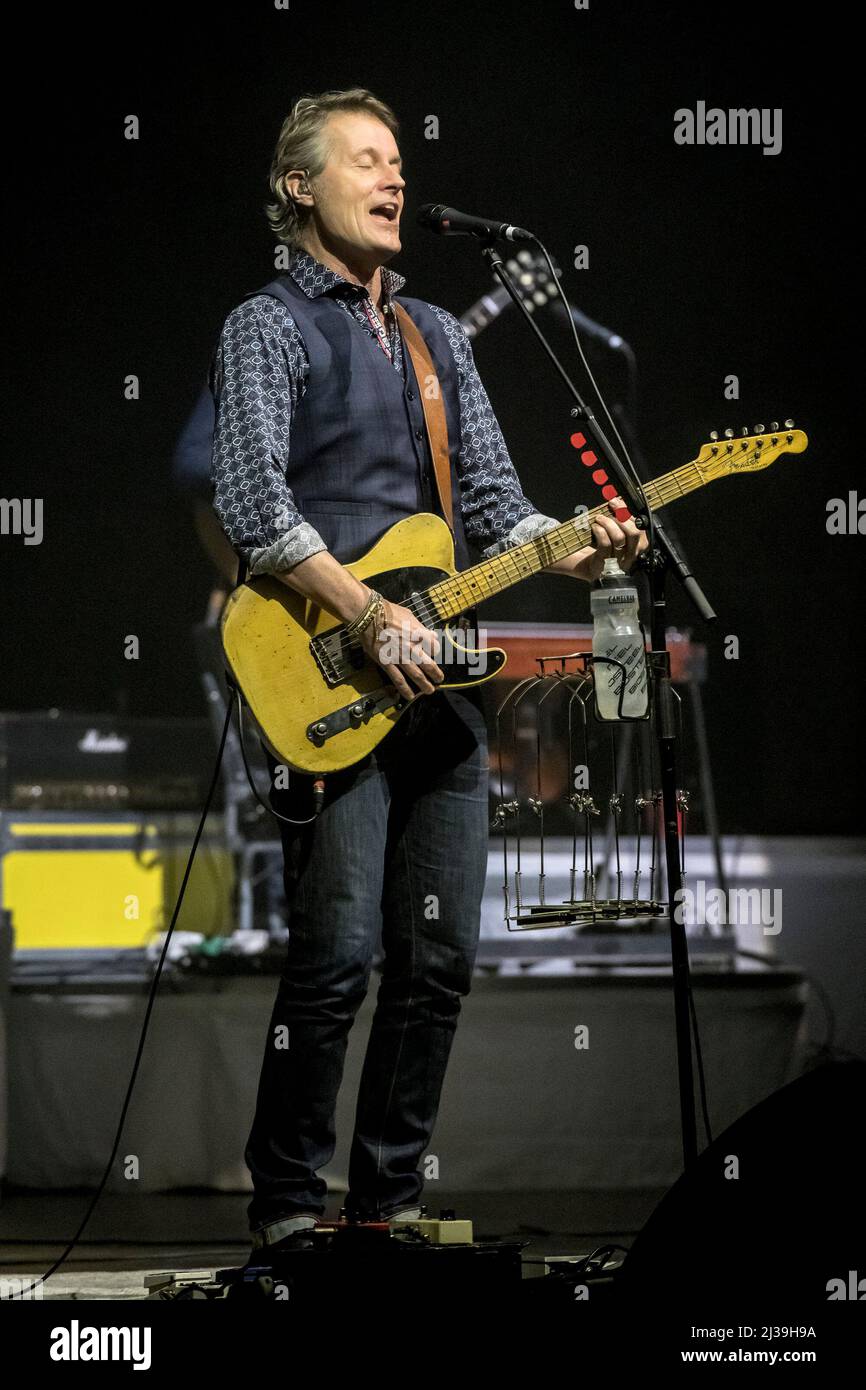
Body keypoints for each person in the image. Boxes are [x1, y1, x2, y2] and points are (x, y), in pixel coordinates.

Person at [208, 87, 648, 1254]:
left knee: (438, 958)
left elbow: (497, 510)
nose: (395, 178)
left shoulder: (439, 335)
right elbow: (254, 502)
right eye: (366, 160)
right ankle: (290, 1211)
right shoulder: (263, 323)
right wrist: (360, 616)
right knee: (337, 957)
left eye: (399, 160)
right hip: (329, 672)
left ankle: (388, 1207)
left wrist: (578, 540)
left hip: (442, 682)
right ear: (300, 187)